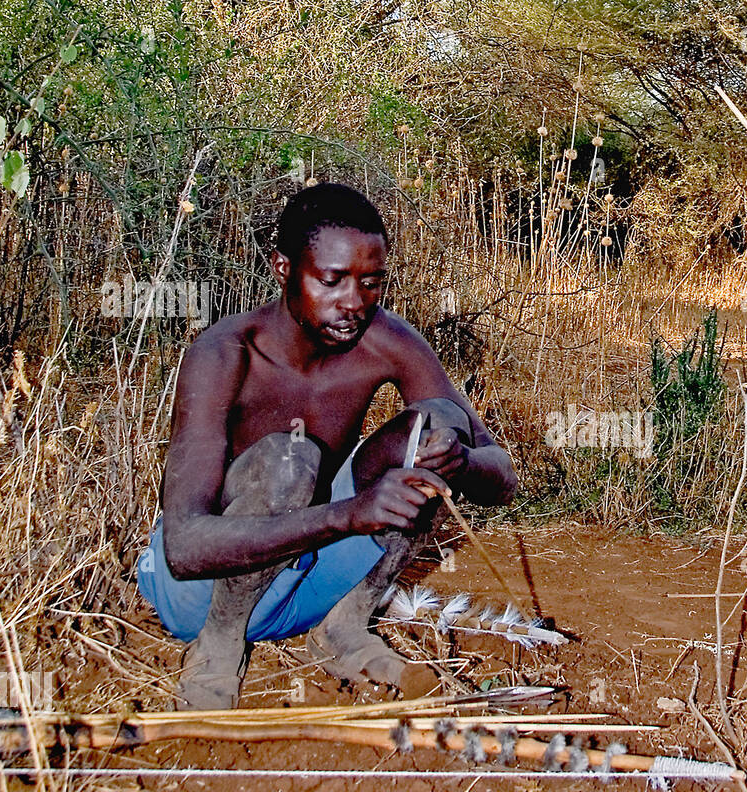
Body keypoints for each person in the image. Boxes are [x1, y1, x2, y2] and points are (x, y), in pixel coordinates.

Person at [137, 182, 517, 710]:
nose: (354, 304)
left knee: (436, 423)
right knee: (292, 458)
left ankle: (344, 629)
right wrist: (348, 516)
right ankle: (217, 654)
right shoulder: (226, 353)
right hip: (202, 599)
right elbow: (183, 550)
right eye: (332, 281)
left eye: (371, 283)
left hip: (307, 587)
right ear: (282, 268)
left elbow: (503, 477)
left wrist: (460, 460)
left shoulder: (390, 341)